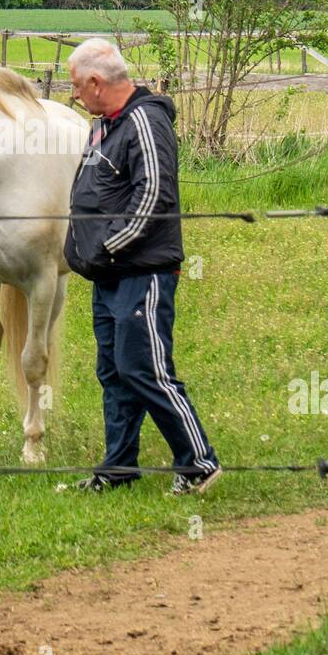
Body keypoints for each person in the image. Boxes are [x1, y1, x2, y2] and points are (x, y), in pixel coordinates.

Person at [63, 39, 222, 495]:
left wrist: (106, 248)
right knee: (113, 372)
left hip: (141, 271)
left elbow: (154, 198)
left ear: (96, 83)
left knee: (145, 369)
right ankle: (118, 469)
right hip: (107, 275)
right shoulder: (104, 126)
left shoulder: (145, 122)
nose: (75, 95)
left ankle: (198, 462)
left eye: (76, 86)